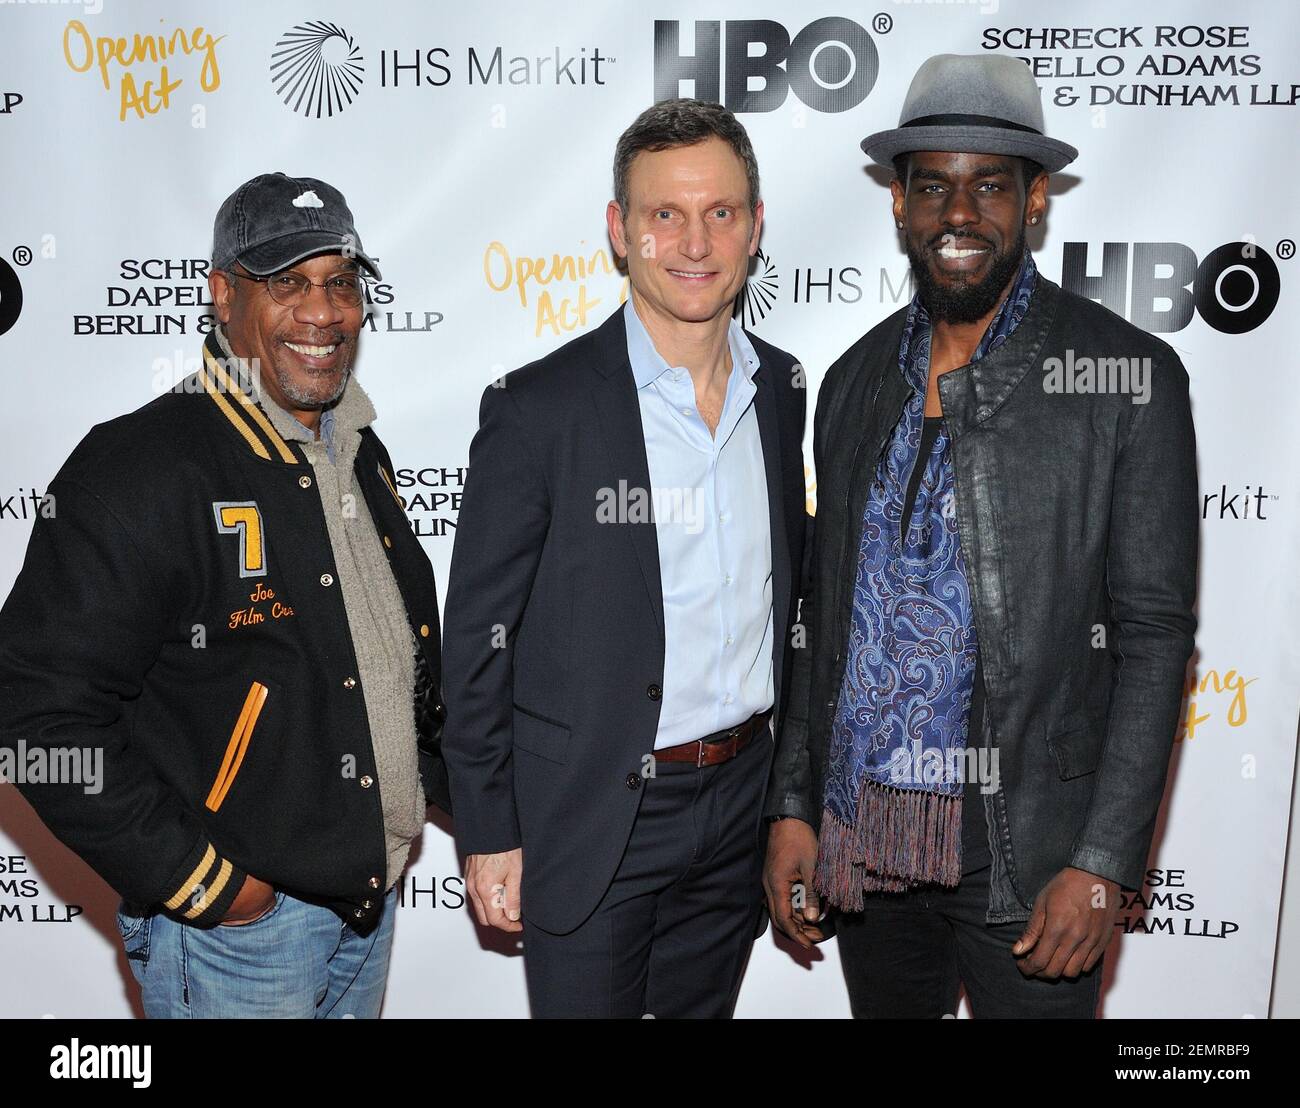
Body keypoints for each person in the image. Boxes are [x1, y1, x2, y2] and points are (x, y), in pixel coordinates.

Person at [763, 54, 1198, 1018]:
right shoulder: (853, 381)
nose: (959, 214)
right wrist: (795, 806)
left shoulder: (1128, 377)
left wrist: (1103, 863)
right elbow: (818, 616)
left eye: (989, 185)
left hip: (1033, 856)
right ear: (899, 205)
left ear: (1034, 199)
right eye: (933, 187)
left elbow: (1156, 635)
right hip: (868, 847)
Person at [0, 172, 449, 1018]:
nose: (322, 313)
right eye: (287, 283)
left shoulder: (355, 445)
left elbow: (398, 662)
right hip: (241, 937)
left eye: (341, 283)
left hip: (366, 908)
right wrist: (212, 888)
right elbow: (32, 711)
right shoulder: (141, 466)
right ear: (221, 296)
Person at [442, 99, 807, 1018]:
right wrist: (489, 832)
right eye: (664, 214)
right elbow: (477, 640)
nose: (694, 241)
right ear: (619, 230)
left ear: (756, 228)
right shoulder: (538, 412)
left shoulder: (783, 394)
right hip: (593, 813)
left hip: (737, 807)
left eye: (720, 212)